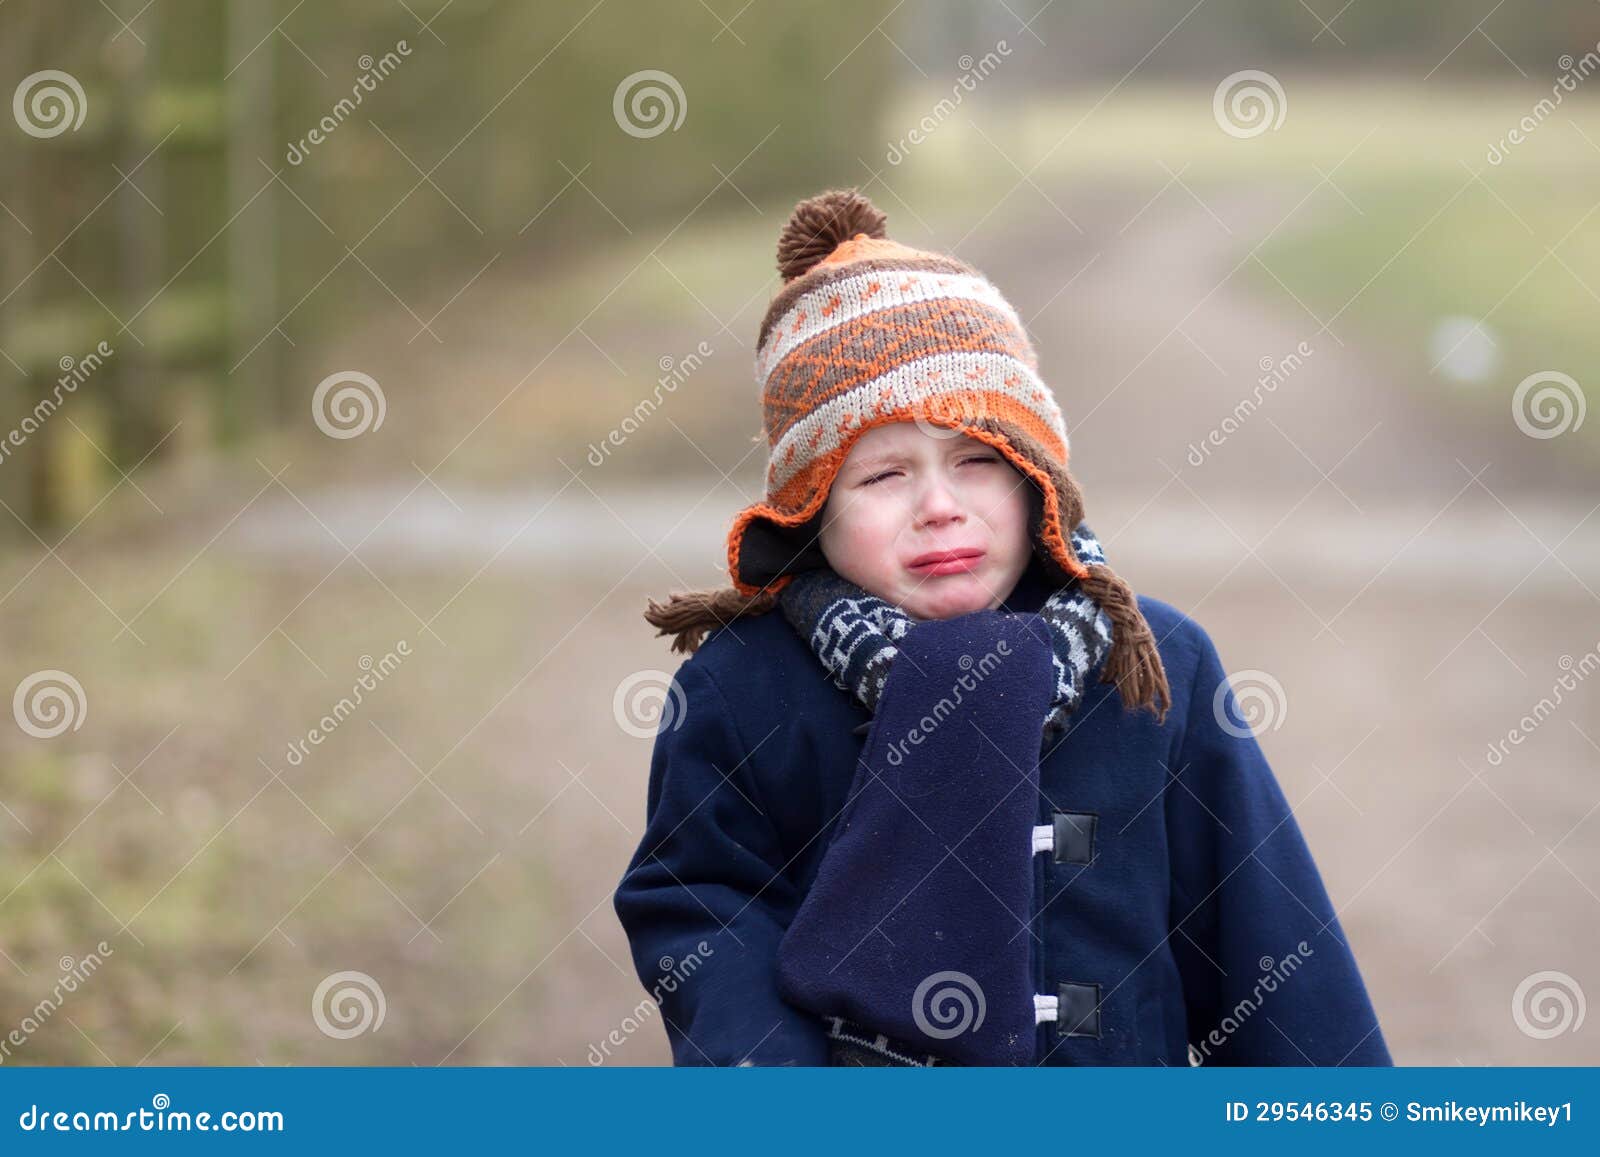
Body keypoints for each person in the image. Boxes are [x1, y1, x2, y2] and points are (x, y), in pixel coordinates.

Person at [612, 188, 1391, 1067]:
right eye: (882, 477)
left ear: (1037, 482)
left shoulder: (1150, 665)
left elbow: (1267, 928)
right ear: (810, 512)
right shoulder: (745, 683)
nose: (939, 507)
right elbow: (702, 900)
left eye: (978, 461)